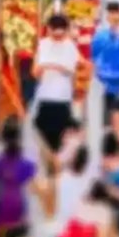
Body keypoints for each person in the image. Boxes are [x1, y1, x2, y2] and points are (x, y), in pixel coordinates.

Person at [32, 14, 85, 153]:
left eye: (60, 34)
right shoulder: (42, 44)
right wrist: (42, 68)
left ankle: (57, 161)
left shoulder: (70, 47)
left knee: (60, 135)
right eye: (54, 32)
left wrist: (57, 66)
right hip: (45, 96)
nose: (57, 37)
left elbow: (73, 71)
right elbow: (35, 72)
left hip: (62, 97)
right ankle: (49, 161)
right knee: (44, 134)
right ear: (48, 29)